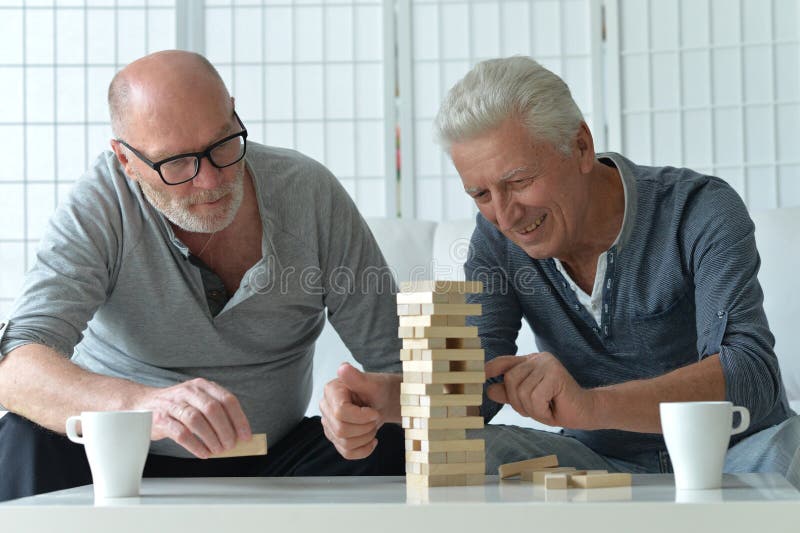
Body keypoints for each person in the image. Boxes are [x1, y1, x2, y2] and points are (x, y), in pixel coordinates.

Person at [0, 50, 404, 502]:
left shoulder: (308, 193)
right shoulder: (101, 205)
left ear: (234, 112)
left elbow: (403, 365)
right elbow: (14, 368)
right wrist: (140, 406)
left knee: (395, 443)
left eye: (223, 145)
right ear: (126, 160)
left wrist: (360, 410)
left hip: (281, 456)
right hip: (119, 456)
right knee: (22, 435)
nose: (211, 182)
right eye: (175, 163)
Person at [430, 56, 800, 486]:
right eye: (480, 193)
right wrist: (400, 402)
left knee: (787, 455)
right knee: (469, 451)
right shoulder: (496, 239)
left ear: (581, 147)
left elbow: (750, 376)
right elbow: (478, 374)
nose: (506, 215)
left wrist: (591, 406)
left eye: (519, 181)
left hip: (733, 454)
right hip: (596, 462)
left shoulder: (700, 209)